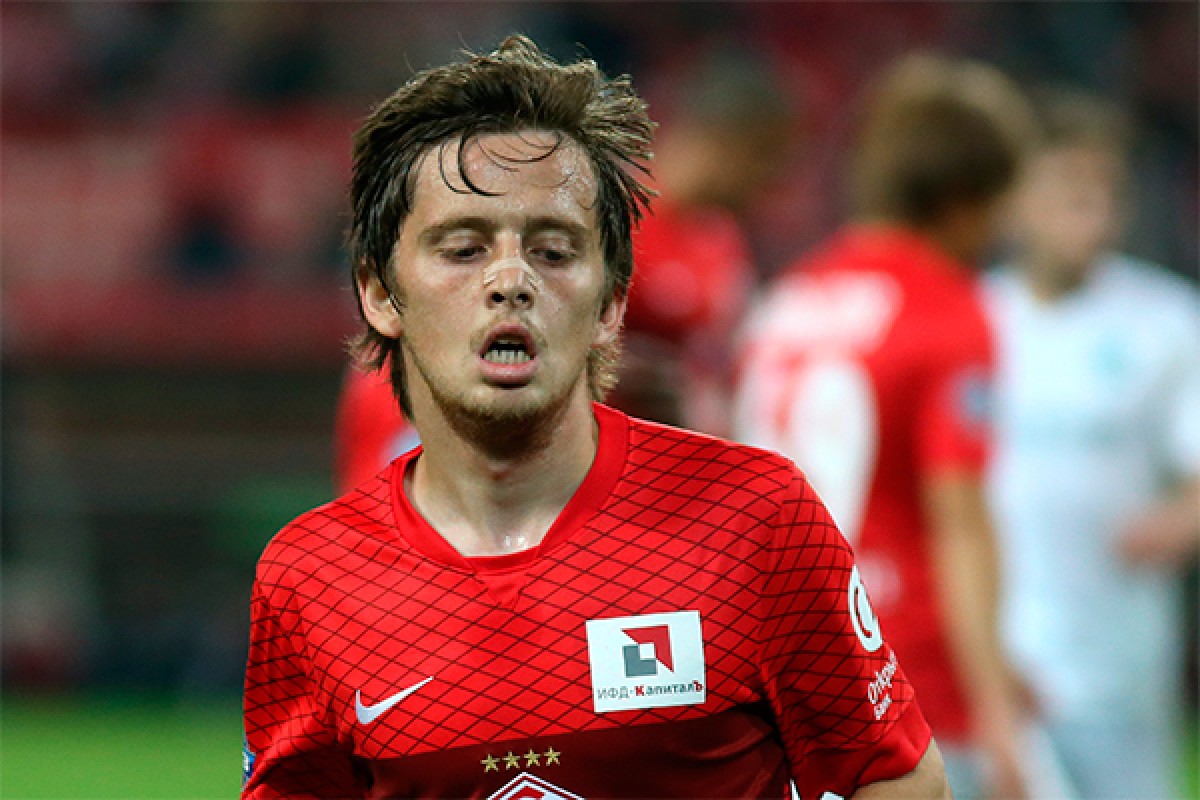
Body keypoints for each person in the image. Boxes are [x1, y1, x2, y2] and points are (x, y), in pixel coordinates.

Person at [241, 36, 949, 799]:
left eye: (552, 251)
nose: (510, 279)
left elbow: (897, 780)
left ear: (612, 301)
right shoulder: (310, 580)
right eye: (463, 248)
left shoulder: (759, 519)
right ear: (380, 294)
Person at [733, 54, 1034, 800]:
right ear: (961, 198)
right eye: (997, 204)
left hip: (787, 667)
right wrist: (995, 706)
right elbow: (959, 521)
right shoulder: (946, 309)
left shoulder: (786, 300)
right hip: (909, 679)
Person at [986, 88, 1200, 800]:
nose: (1095, 211)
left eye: (1109, 192)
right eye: (1073, 190)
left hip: (1119, 664)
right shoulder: (975, 316)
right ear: (1017, 200)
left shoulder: (1167, 320)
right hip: (999, 665)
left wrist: (1179, 521)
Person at [611, 51, 794, 437]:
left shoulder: (723, 239)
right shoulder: (613, 218)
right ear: (726, 144)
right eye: (764, 160)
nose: (768, 183)